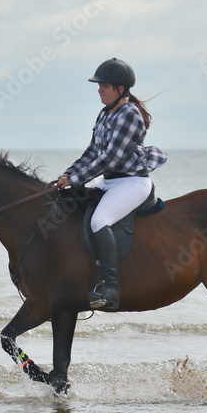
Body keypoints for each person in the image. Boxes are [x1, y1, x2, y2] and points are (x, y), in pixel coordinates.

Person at [52, 58, 168, 311]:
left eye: (104, 85)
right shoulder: (105, 113)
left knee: (98, 221)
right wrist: (68, 174)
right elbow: (92, 151)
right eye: (99, 85)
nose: (99, 89)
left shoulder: (129, 114)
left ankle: (111, 289)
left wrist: (76, 179)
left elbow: (110, 158)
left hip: (132, 183)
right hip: (111, 182)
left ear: (121, 89)